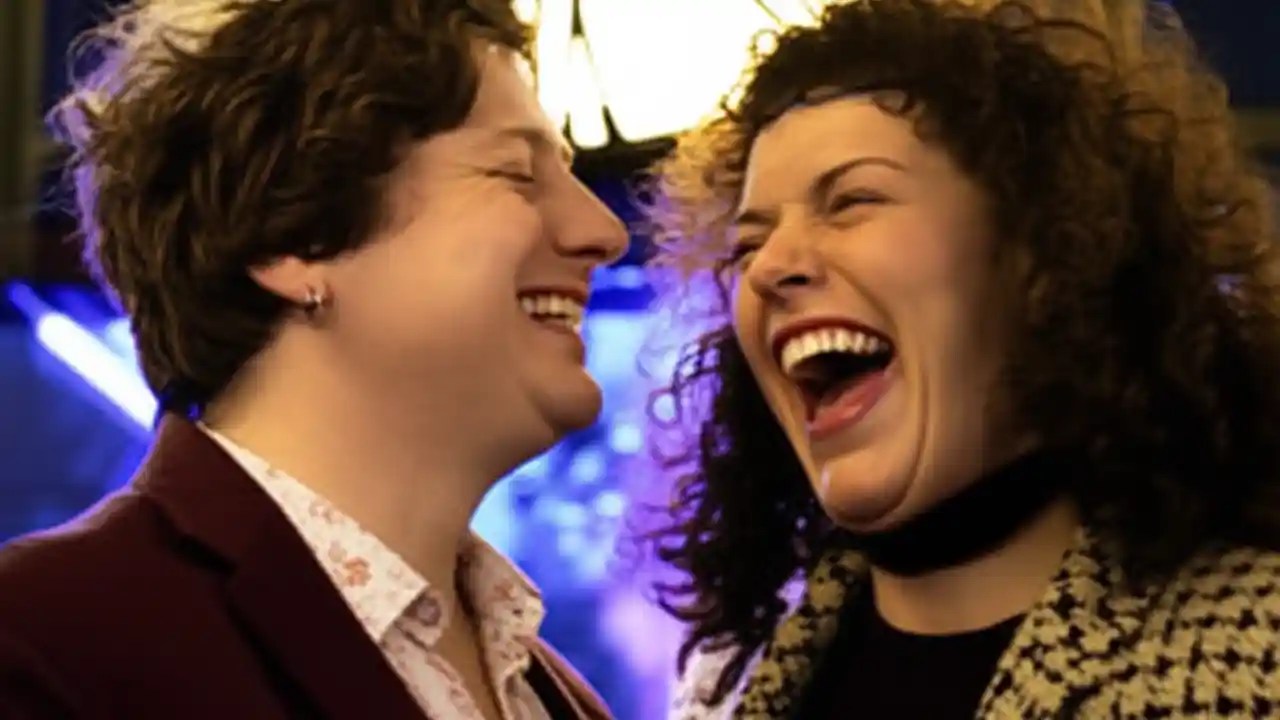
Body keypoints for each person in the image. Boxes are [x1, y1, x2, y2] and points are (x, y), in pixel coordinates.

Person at [640, 0, 1280, 717]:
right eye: (748, 243)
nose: (767, 270)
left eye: (852, 200)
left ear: (1049, 260)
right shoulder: (730, 691)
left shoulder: (1254, 660)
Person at [0, 0, 628, 718]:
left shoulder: (558, 695)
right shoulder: (46, 645)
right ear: (291, 230)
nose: (602, 230)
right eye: (516, 174)